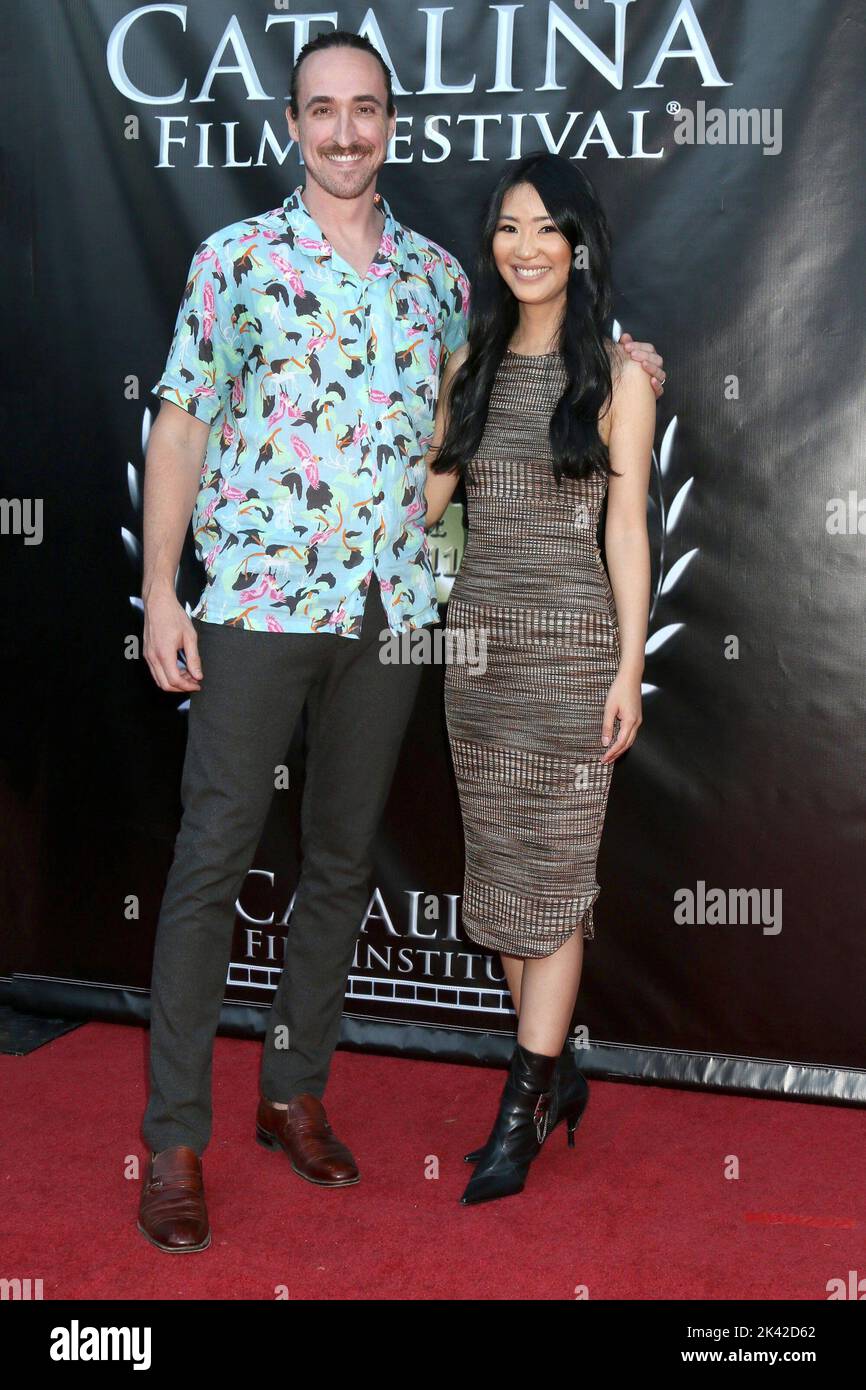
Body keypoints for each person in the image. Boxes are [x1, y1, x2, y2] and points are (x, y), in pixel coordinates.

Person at [138, 31, 666, 1251]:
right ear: (291, 124)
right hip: (257, 607)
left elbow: (507, 400)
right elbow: (180, 425)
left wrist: (625, 356)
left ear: (390, 123)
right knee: (211, 861)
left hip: (391, 617)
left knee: (338, 864)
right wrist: (161, 590)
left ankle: (292, 1092)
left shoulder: (436, 282)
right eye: (321, 109)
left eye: (364, 108)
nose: (343, 130)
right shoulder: (233, 261)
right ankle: (172, 1140)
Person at [424, 152, 654, 1205]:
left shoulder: (617, 375)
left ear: (579, 244)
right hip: (477, 657)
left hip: (570, 659)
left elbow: (625, 532)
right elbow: (424, 505)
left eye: (546, 228)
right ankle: (556, 1074)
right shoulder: (466, 366)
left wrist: (628, 666)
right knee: (504, 882)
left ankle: (519, 1111)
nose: (525, 247)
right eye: (508, 227)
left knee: (554, 886)